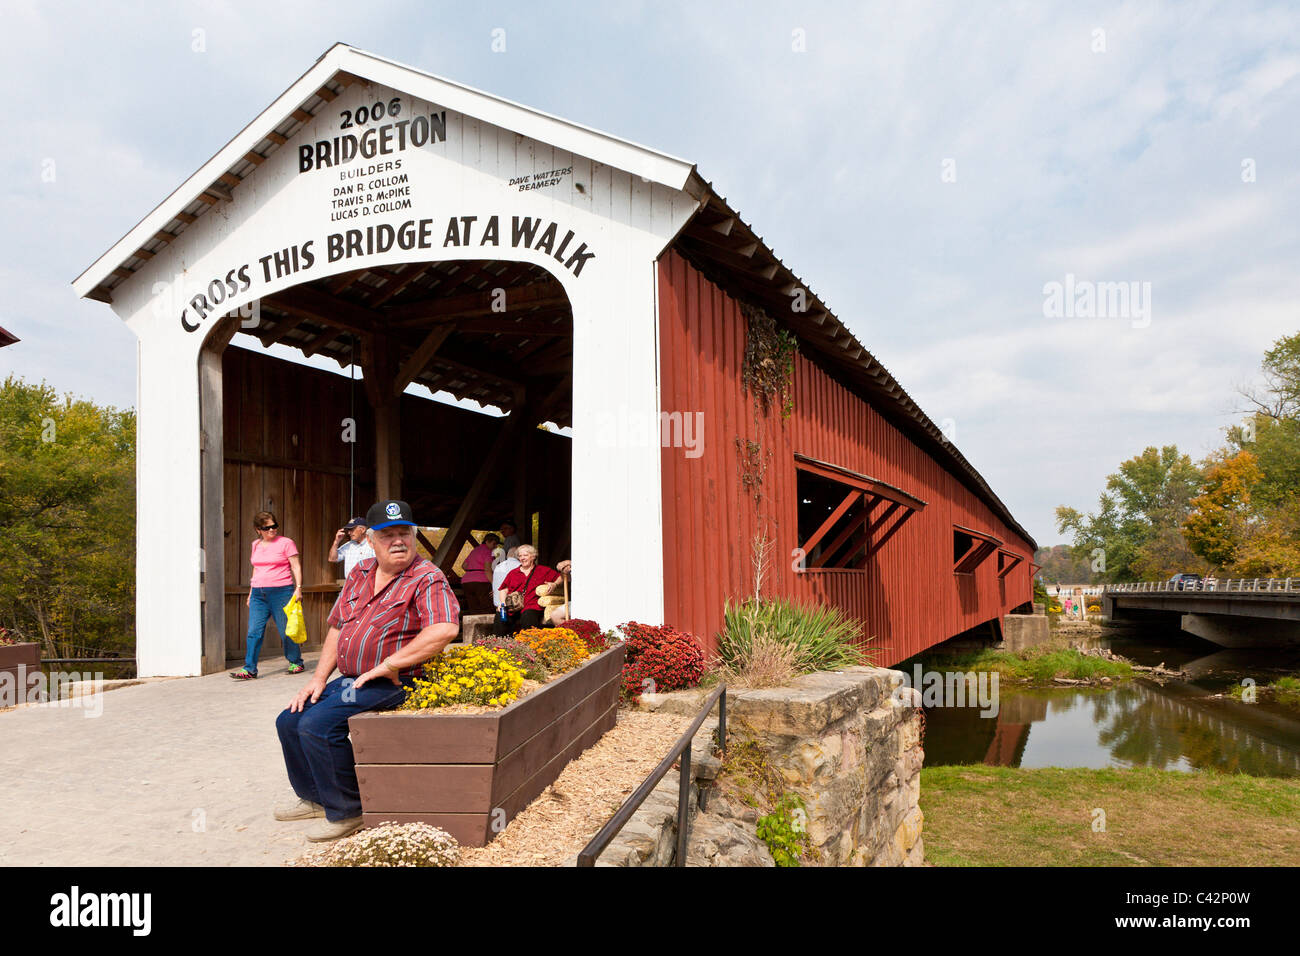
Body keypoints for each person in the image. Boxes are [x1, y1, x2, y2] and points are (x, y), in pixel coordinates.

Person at [273, 499, 460, 842]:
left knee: (317, 725)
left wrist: (391, 664)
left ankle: (349, 810)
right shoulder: (359, 573)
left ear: (414, 536)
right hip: (352, 680)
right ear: (370, 540)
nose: (398, 540)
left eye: (404, 532)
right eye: (388, 534)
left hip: (399, 679)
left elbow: (444, 629)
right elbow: (337, 627)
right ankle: (316, 798)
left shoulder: (426, 576)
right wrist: (316, 680)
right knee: (289, 718)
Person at [232, 511, 304, 680]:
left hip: (281, 591)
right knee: (254, 631)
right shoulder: (255, 545)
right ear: (258, 529)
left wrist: (298, 588)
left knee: (287, 630)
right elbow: (256, 568)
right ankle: (250, 669)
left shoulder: (286, 543)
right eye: (267, 528)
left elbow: (296, 566)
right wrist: (251, 593)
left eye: (274, 526)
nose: (272, 530)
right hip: (258, 593)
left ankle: (296, 662)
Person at [494, 544, 559, 635]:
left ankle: (529, 643)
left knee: (528, 615)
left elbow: (563, 577)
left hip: (532, 606)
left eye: (525, 555)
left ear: (533, 556)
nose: (522, 558)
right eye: (520, 556)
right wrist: (503, 603)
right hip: (514, 606)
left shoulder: (543, 570)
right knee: (500, 614)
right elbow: (503, 589)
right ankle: (500, 644)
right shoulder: (513, 573)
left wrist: (554, 584)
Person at [459, 532, 500, 614]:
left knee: (473, 608)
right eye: (494, 544)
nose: (495, 547)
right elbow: (487, 570)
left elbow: (464, 566)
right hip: (481, 583)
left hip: (466, 582)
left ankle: (474, 626)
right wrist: (494, 585)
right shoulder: (488, 552)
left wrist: (473, 570)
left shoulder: (475, 550)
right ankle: (487, 627)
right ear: (487, 541)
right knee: (487, 608)